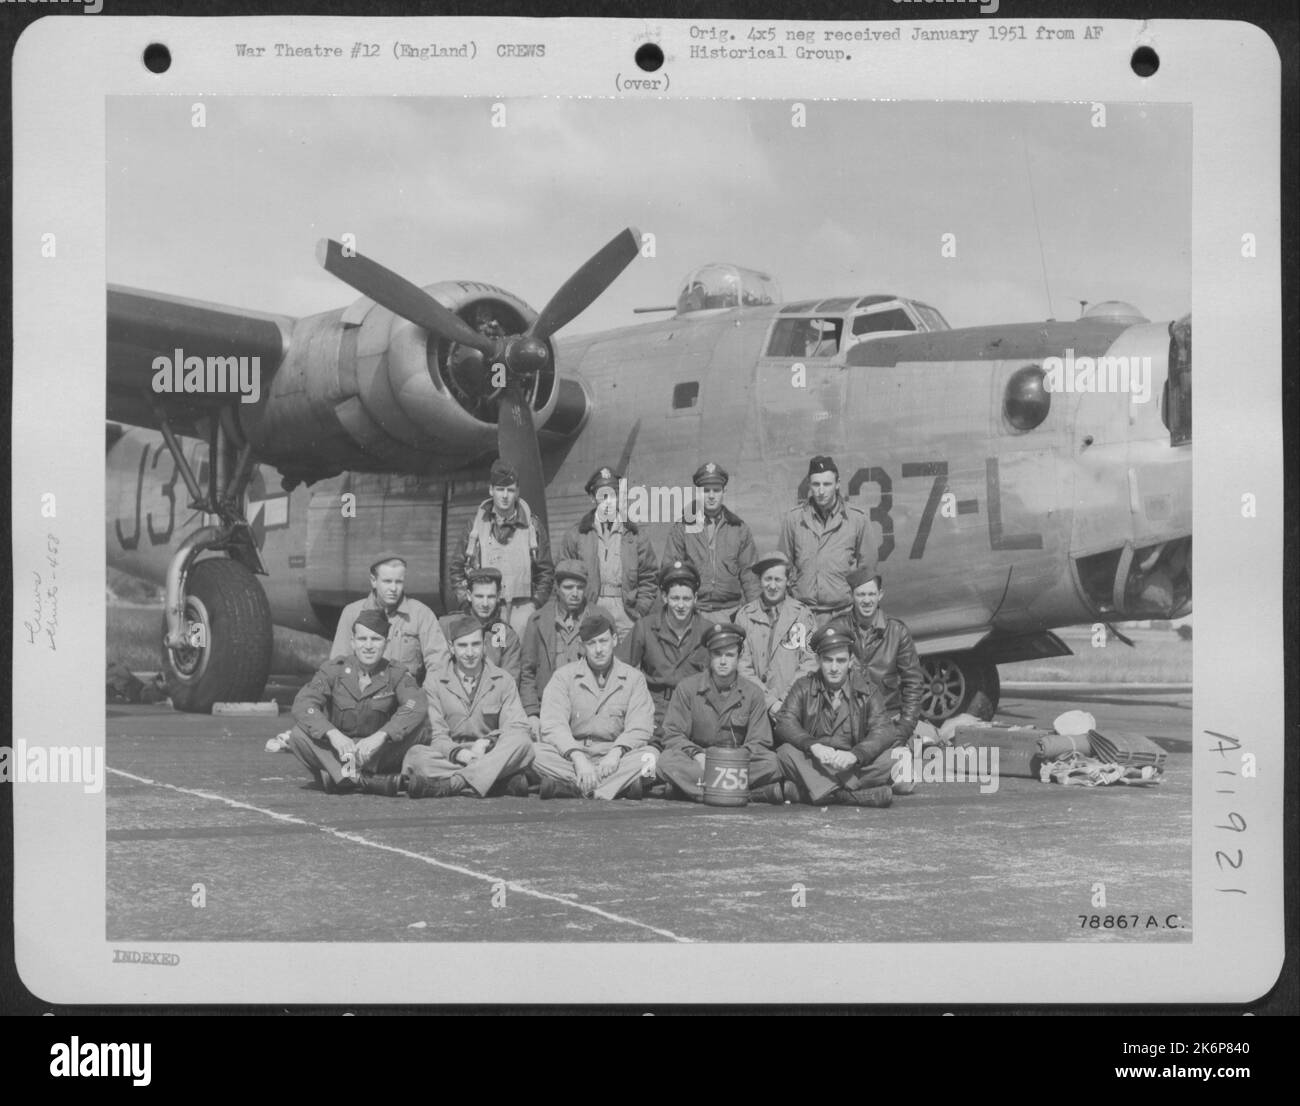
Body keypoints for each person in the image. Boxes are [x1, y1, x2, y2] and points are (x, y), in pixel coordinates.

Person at [288, 608, 429, 795]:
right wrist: (332, 734)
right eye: (362, 639)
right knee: (297, 735)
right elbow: (304, 703)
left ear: (386, 643)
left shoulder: (396, 673)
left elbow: (415, 706)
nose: (368, 646)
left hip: (379, 752)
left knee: (422, 729)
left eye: (376, 639)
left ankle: (340, 776)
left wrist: (382, 735)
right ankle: (364, 780)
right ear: (353, 642)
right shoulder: (333, 670)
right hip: (342, 750)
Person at [656, 622, 791, 804]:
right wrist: (697, 755)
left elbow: (760, 741)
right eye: (717, 654)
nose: (723, 661)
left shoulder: (753, 693)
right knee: (666, 760)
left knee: (772, 762)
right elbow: (672, 734)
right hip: (700, 761)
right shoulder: (687, 688)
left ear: (739, 656)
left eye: (729, 655)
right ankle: (745, 794)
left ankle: (692, 791)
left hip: (737, 761)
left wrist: (731, 759)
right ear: (709, 656)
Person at [403, 615, 535, 799]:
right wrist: (460, 754)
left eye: (475, 644)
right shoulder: (434, 681)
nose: (470, 652)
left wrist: (488, 742)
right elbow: (436, 734)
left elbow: (517, 726)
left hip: (490, 753)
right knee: (416, 756)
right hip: (452, 755)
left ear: (484, 646)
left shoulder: (503, 679)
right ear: (451, 648)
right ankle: (497, 781)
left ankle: (455, 784)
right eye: (463, 646)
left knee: (523, 743)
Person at [533, 610, 657, 800]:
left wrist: (616, 753)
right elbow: (553, 725)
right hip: (572, 756)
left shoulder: (634, 678)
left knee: (650, 757)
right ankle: (612, 787)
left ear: (614, 640)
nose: (599, 649)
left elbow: (641, 726)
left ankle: (577, 787)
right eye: (591, 643)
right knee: (532, 752)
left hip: (614, 757)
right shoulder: (563, 676)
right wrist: (578, 758)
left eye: (603, 641)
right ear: (582, 646)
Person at [773, 625, 900, 807]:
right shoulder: (803, 686)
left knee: (893, 757)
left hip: (852, 765)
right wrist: (813, 745)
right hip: (814, 762)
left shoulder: (868, 690)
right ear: (818, 660)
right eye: (828, 660)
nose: (834, 668)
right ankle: (847, 796)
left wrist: (856, 755)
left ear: (851, 661)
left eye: (840, 661)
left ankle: (818, 791)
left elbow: (884, 729)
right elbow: (785, 721)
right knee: (785, 753)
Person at [450, 458, 555, 640]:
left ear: (517, 492)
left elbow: (546, 571)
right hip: (486, 610)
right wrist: (466, 604)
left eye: (510, 490)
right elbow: (457, 568)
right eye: (500, 489)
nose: (505, 496)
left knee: (520, 655)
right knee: (493, 653)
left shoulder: (533, 527)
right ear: (491, 490)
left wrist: (535, 604)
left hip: (522, 611)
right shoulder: (475, 526)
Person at [826, 569, 932, 749]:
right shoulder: (836, 628)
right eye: (861, 594)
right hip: (845, 723)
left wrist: (904, 728)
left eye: (871, 594)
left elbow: (913, 684)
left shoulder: (897, 631)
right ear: (851, 596)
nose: (867, 600)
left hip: (886, 720)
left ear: (880, 595)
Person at [557, 465, 658, 643]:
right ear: (592, 498)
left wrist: (640, 610)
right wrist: (573, 612)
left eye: (612, 495)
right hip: (589, 610)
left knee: (626, 658)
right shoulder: (576, 535)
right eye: (602, 496)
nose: (608, 502)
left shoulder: (635, 536)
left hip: (626, 612)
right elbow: (561, 576)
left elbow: (649, 577)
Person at [617, 559, 712, 737]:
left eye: (686, 599)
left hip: (694, 710)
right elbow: (620, 669)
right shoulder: (645, 627)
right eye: (675, 598)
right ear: (664, 597)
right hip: (654, 710)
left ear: (695, 598)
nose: (681, 605)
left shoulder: (708, 631)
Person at [777, 456, 874, 626]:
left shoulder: (857, 519)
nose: (821, 491)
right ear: (809, 485)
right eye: (816, 484)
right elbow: (782, 567)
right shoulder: (794, 519)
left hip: (844, 614)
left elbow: (867, 570)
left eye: (827, 484)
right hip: (803, 615)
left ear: (837, 484)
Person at [660, 461, 759, 622]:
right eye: (706, 490)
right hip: (693, 613)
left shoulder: (739, 529)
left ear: (724, 492)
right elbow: (669, 572)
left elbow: (750, 576)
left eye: (716, 490)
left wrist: (756, 616)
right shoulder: (682, 528)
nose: (711, 496)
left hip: (731, 613)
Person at [331, 554, 450, 685]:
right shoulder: (352, 613)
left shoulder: (421, 614)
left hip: (406, 693)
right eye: (387, 581)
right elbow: (338, 664)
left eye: (398, 582)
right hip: (362, 692)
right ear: (373, 581)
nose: (393, 588)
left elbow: (439, 664)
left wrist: (425, 694)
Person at [734, 551, 818, 719]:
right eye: (768, 579)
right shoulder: (744, 616)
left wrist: (784, 702)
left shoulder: (802, 615)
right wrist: (770, 703)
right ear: (760, 580)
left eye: (778, 580)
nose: (772, 586)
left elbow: (809, 663)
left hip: (794, 706)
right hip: (754, 706)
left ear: (787, 581)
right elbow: (742, 666)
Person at [519, 559, 590, 732]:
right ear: (557, 588)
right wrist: (532, 713)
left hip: (587, 709)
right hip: (548, 708)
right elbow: (527, 672)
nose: (575, 593)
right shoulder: (538, 621)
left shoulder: (599, 618)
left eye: (580, 587)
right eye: (568, 587)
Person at [441, 566, 522, 685]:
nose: (485, 604)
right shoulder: (448, 626)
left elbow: (509, 680)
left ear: (498, 596)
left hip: (493, 693)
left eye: (491, 597)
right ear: (469, 596)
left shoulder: (505, 634)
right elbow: (437, 671)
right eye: (479, 596)